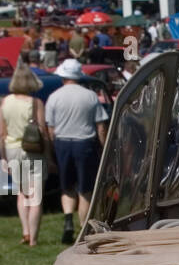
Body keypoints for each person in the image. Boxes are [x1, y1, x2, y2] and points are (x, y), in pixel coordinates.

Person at [45, 57, 108, 243]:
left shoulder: (54, 96)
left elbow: (51, 128)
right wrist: (104, 147)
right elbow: (101, 126)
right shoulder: (89, 96)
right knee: (85, 189)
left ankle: (68, 220)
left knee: (67, 186)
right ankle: (83, 227)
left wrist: (52, 147)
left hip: (63, 143)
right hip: (84, 144)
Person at [0, 61, 49, 246]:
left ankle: (25, 232)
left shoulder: (5, 102)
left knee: (22, 193)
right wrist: (49, 157)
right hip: (33, 150)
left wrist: (3, 158)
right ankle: (33, 240)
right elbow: (43, 132)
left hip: (11, 150)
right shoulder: (36, 103)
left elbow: (2, 133)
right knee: (35, 196)